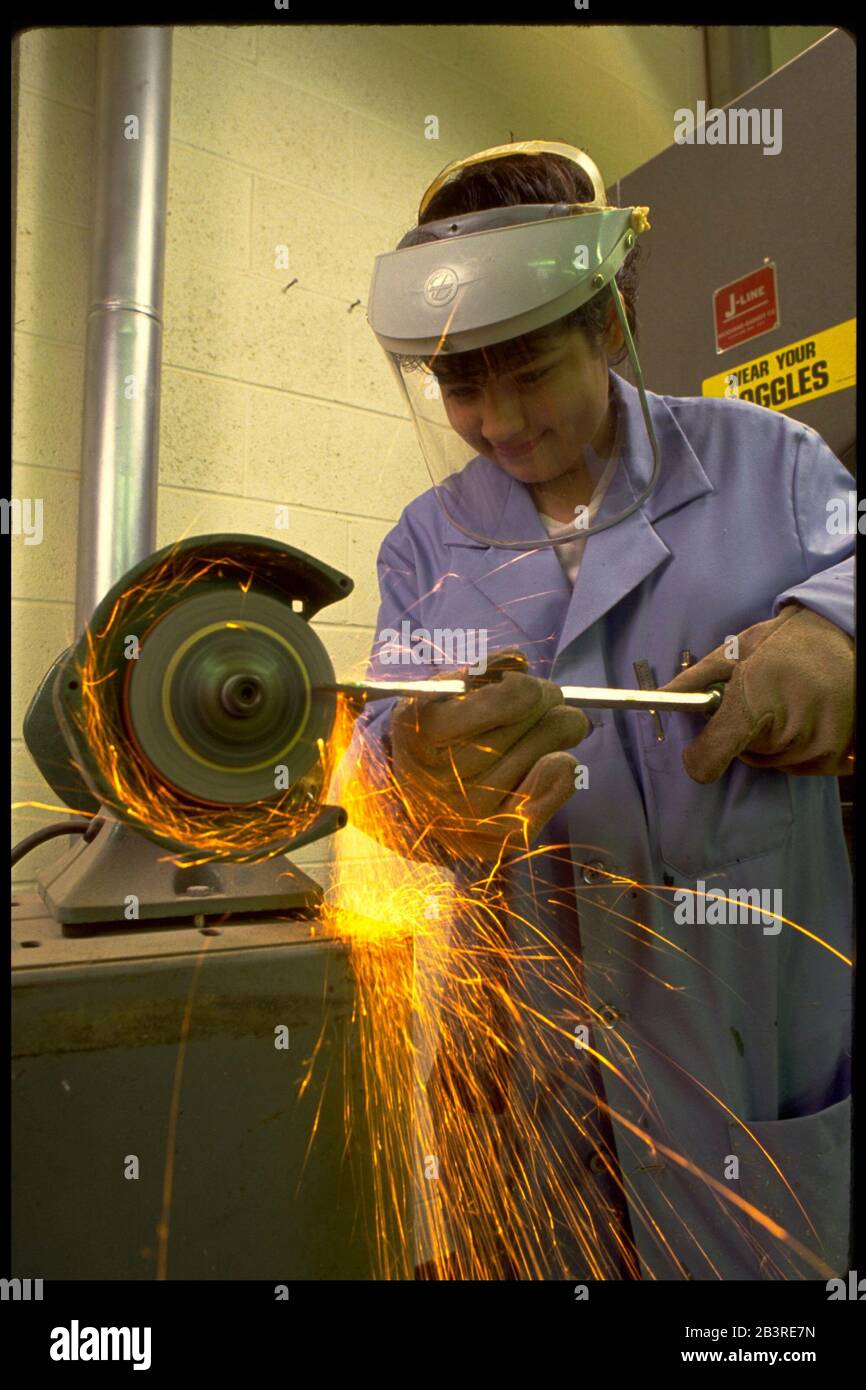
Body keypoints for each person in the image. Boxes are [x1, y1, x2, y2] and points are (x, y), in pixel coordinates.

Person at [355, 142, 854, 1280]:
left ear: (607, 323)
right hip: (520, 1067)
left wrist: (830, 632)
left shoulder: (765, 462)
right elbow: (383, 764)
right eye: (461, 389)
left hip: (737, 1061)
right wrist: (423, 768)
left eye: (529, 372)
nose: (497, 422)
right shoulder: (425, 542)